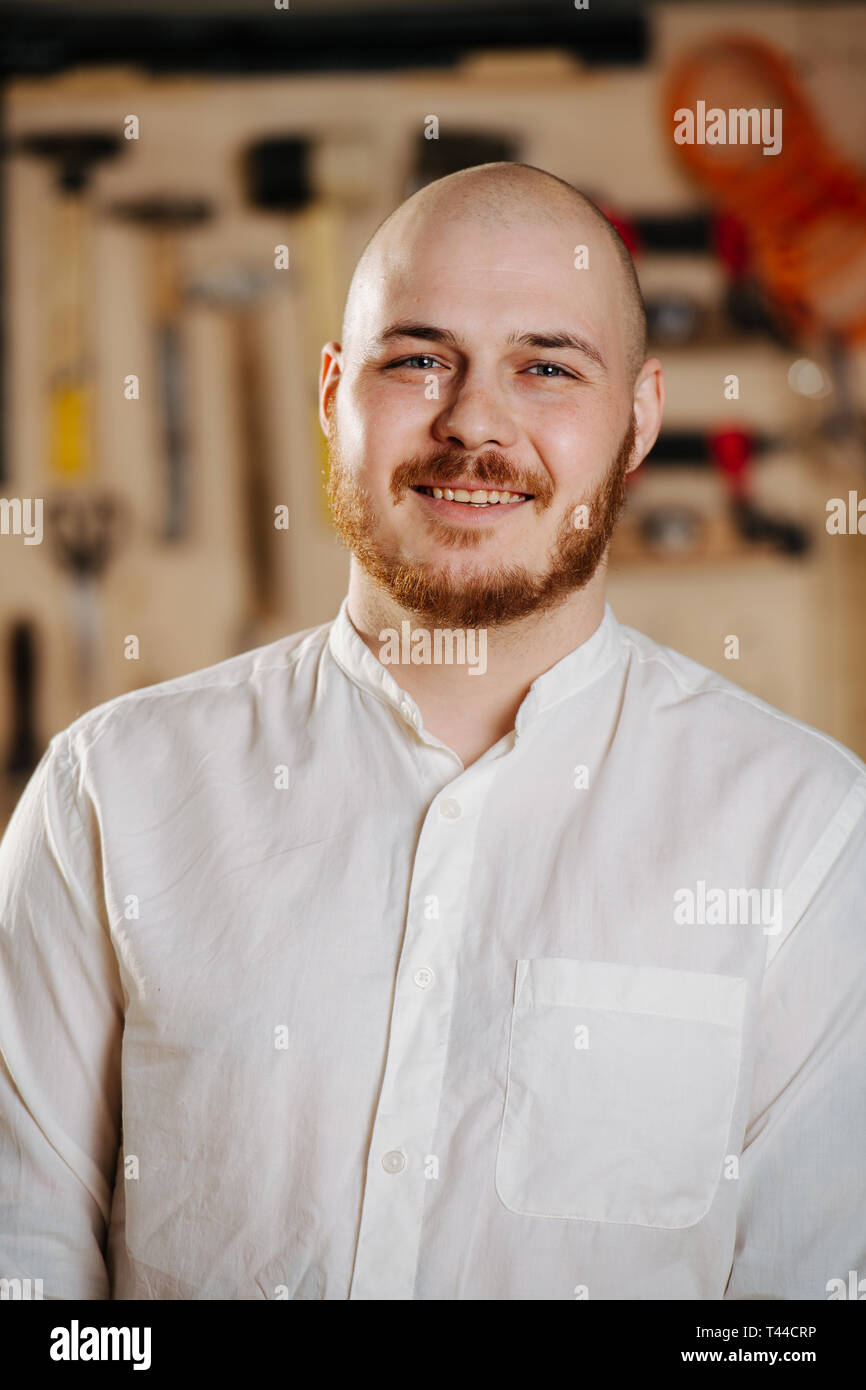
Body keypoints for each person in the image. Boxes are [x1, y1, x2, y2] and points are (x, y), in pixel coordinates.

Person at [1, 162, 864, 1301]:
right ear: (330, 396)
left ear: (641, 416)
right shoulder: (105, 797)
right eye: (417, 359)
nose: (472, 422)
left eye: (545, 367)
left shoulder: (805, 836)